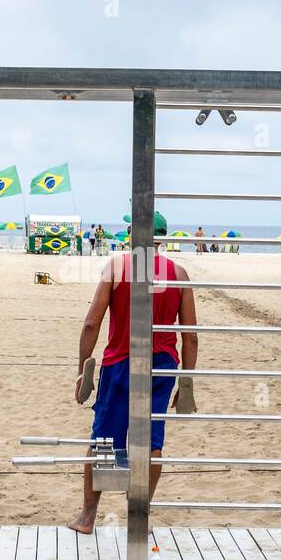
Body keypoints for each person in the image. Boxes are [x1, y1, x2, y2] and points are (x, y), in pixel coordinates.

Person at [67, 214, 198, 534]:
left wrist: (85, 369)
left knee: (103, 439)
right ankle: (140, 516)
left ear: (135, 233)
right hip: (161, 366)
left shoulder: (117, 267)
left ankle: (87, 517)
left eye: (129, 227)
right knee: (151, 442)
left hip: (120, 363)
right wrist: (187, 382)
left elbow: (90, 324)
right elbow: (190, 335)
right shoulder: (178, 273)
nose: (126, 231)